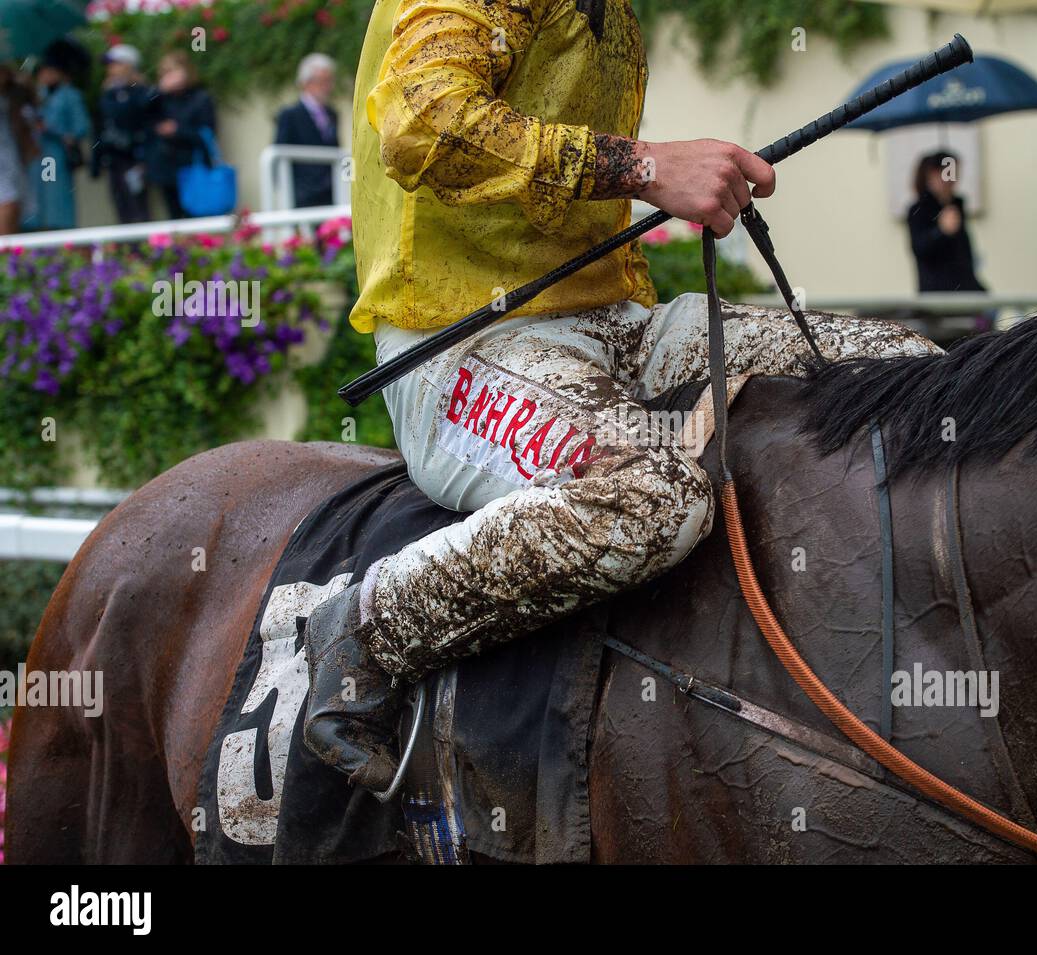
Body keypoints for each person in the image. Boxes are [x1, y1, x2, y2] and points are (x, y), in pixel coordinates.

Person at [301, 0, 938, 791]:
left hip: (619, 323)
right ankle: (364, 625)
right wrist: (646, 167)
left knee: (908, 367)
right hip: (462, 343)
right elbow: (423, 123)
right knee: (655, 492)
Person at [26, 40, 92, 231]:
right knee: (37, 195)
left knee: (53, 193)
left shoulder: (70, 95)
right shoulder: (39, 94)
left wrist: (53, 129)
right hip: (37, 153)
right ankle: (38, 228)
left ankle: (55, 230)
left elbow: (81, 127)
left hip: (53, 155)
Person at [144, 51, 217, 220]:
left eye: (173, 71)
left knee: (198, 219)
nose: (170, 77)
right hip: (167, 170)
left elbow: (207, 134)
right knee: (175, 219)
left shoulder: (200, 98)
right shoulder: (160, 99)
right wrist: (159, 90)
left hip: (193, 167)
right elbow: (140, 113)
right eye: (165, 73)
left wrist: (178, 130)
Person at [906, 150, 986, 293]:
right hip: (938, 294)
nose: (952, 179)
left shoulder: (956, 206)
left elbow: (963, 254)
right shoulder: (919, 210)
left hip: (966, 290)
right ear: (931, 174)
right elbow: (920, 248)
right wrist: (941, 231)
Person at [92, 44, 154, 224]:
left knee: (139, 209)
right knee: (122, 209)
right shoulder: (110, 93)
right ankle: (129, 251)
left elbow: (136, 119)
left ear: (129, 66)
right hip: (114, 160)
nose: (110, 70)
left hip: (135, 159)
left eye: (115, 64)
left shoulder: (142, 92)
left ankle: (145, 251)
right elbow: (102, 126)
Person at [273, 53, 340, 208]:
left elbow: (337, 151)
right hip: (302, 196)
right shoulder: (290, 115)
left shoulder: (332, 114)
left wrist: (350, 181)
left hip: (331, 194)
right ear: (305, 83)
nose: (327, 87)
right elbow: (279, 152)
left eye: (329, 81)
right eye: (322, 81)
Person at [0, 65, 37, 235]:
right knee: (8, 202)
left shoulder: (13, 96)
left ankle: (10, 256)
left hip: (11, 156)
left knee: (16, 205)